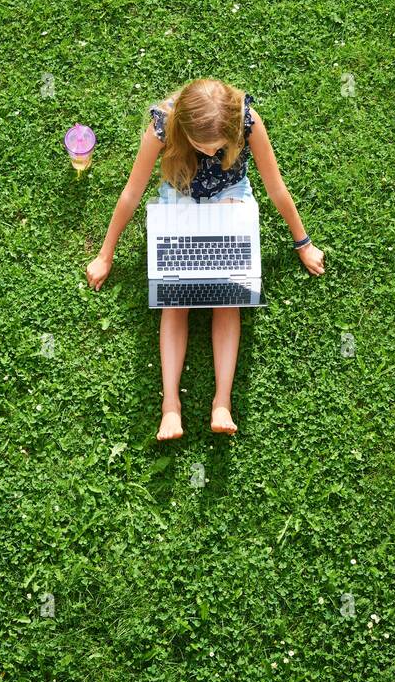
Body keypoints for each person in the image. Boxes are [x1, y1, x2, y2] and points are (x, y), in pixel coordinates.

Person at [86, 78, 325, 439]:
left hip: (230, 196)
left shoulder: (247, 121)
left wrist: (303, 243)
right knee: (174, 299)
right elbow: (131, 193)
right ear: (183, 129)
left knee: (227, 297)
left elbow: (275, 186)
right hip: (179, 198)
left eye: (220, 147)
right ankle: (170, 406)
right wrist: (106, 254)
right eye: (203, 146)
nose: (213, 154)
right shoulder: (163, 127)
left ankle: (222, 402)